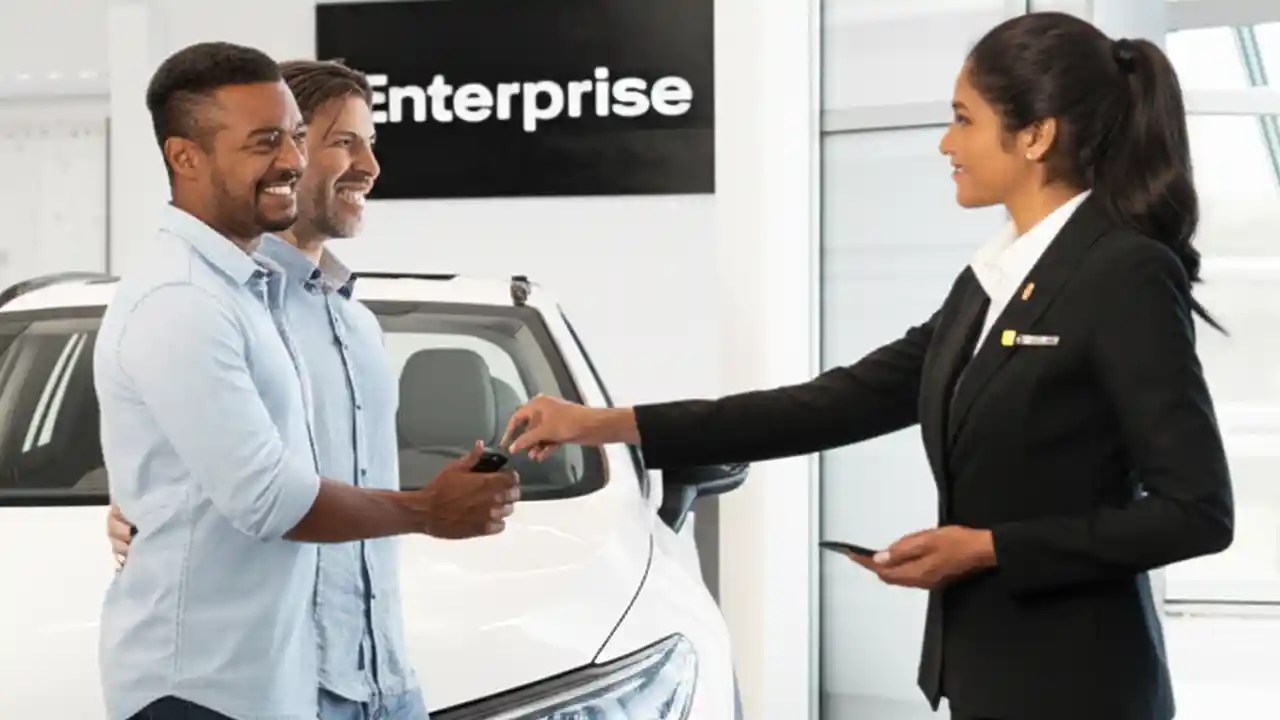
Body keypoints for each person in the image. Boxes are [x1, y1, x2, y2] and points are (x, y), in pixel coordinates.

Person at [500, 12, 1234, 720]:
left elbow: (1195, 513)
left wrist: (986, 549)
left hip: (1080, 685)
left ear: (1036, 135)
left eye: (964, 118)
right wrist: (603, 424)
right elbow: (833, 403)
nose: (947, 142)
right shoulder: (992, 283)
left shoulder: (1124, 273)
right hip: (989, 674)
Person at [97, 43, 517, 720]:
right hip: (255, 686)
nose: (370, 166)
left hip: (380, 679)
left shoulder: (354, 324)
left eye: (295, 138)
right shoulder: (210, 301)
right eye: (340, 142)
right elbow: (245, 488)